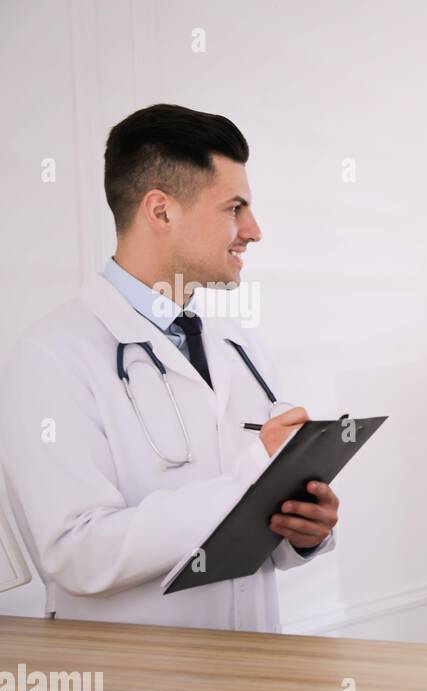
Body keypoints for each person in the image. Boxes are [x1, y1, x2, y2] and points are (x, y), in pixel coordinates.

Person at [0, 104, 339, 631]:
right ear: (161, 212)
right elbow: (75, 554)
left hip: (252, 666)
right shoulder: (52, 354)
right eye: (234, 208)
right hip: (139, 686)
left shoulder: (237, 343)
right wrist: (252, 479)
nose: (253, 230)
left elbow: (251, 528)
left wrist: (302, 532)